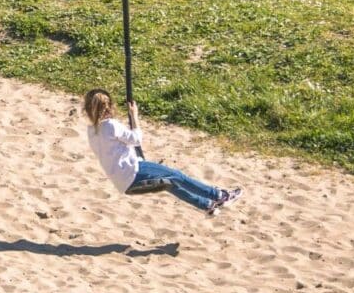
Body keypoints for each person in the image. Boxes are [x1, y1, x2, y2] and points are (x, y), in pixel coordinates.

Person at [82, 89, 238, 214]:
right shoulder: (111, 125)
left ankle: (207, 205)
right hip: (133, 172)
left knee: (170, 183)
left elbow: (114, 151)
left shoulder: (91, 131)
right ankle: (219, 196)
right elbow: (136, 138)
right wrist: (134, 116)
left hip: (122, 183)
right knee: (177, 175)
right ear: (109, 107)